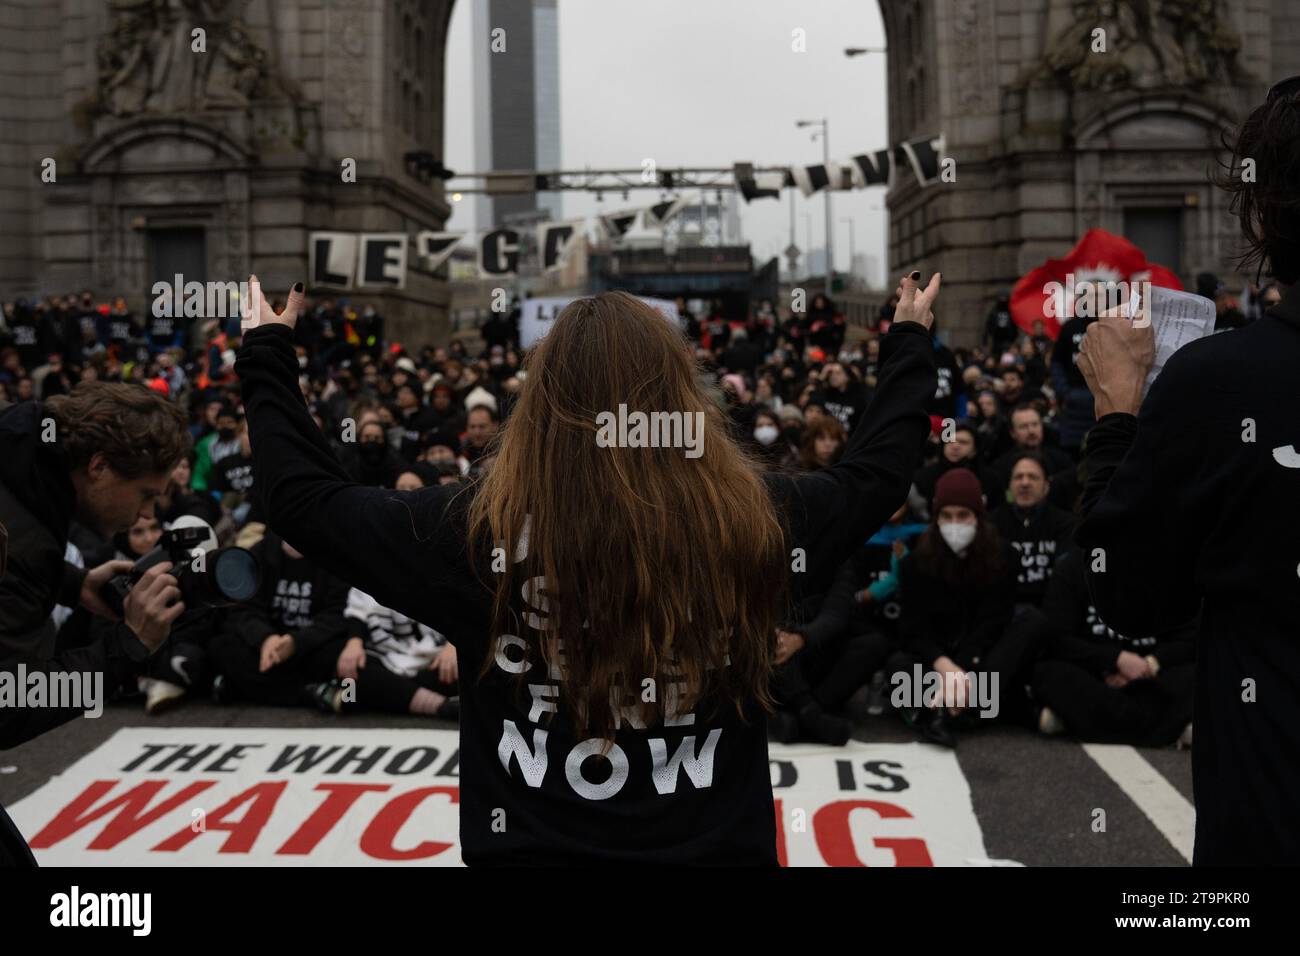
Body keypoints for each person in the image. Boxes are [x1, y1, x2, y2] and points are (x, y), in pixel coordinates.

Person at [235, 270, 939, 865]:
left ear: (541, 403)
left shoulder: (473, 531)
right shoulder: (754, 516)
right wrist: (908, 343)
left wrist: (268, 354)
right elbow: (875, 476)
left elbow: (304, 503)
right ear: (679, 397)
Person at [1074, 75, 1300, 865]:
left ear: (1264, 211)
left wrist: (1115, 415)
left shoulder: (1219, 382)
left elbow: (1127, 590)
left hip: (1271, 817)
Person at [0, 381, 189, 865]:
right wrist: (128, 646)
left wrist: (73, 583)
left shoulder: (20, 451)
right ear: (99, 466)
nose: (146, 514)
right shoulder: (21, 538)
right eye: (145, 495)